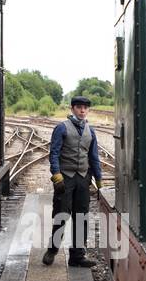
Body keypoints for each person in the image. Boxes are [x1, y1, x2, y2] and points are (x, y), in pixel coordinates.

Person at [42, 96, 103, 267]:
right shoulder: (61, 128)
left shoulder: (91, 131)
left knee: (81, 216)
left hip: (83, 178)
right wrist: (56, 175)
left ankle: (77, 256)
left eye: (85, 108)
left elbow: (94, 157)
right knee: (61, 215)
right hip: (65, 178)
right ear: (72, 109)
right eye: (79, 107)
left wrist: (98, 179)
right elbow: (53, 153)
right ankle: (52, 249)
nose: (82, 110)